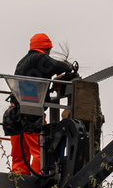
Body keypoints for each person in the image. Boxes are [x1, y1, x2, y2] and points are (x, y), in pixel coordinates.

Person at [10, 33, 76, 175]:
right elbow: (54, 65)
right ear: (47, 48)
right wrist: (67, 66)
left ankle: (18, 179)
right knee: (40, 151)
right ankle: (36, 178)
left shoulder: (24, 62)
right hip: (31, 112)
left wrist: (50, 84)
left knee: (19, 154)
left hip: (14, 111)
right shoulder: (40, 57)